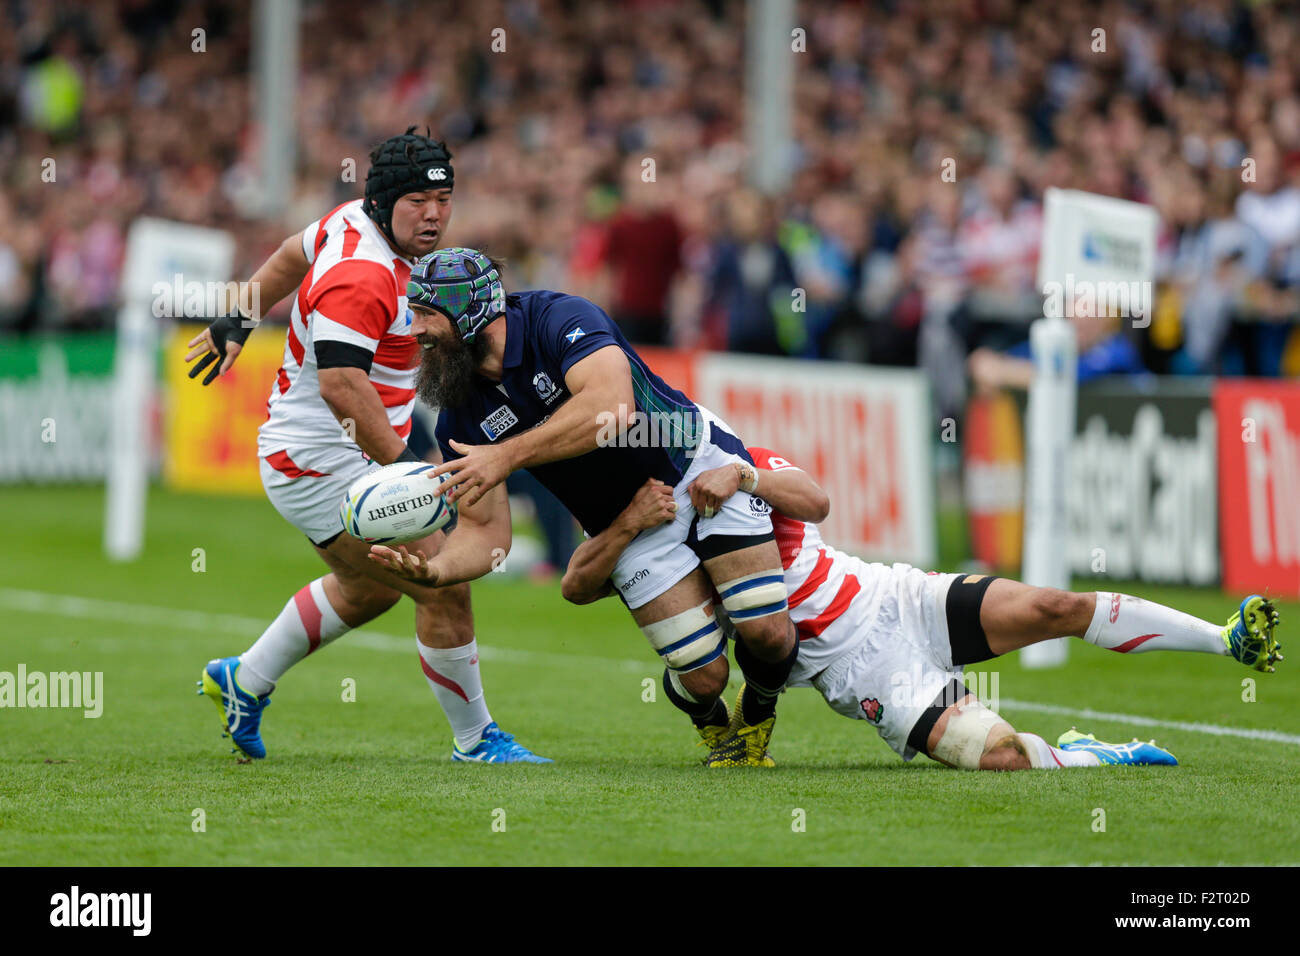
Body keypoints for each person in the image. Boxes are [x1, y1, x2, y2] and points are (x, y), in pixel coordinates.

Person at [559, 449, 1283, 770]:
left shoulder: (729, 458)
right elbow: (577, 584)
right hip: (860, 668)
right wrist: (626, 525)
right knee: (1001, 758)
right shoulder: (642, 518)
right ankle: (1094, 753)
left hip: (893, 596)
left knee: (1054, 603)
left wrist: (744, 472)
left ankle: (1225, 640)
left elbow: (817, 501)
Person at [184, 129, 547, 764]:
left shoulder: (351, 223)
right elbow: (343, 388)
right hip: (317, 459)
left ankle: (243, 679)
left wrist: (239, 316)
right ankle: (476, 741)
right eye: (416, 201)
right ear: (383, 205)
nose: (433, 215)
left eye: (443, 198)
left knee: (373, 587)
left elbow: (287, 258)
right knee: (438, 580)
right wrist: (412, 475)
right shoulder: (362, 274)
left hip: (349, 450)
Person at [369, 247, 799, 767]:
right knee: (704, 676)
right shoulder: (459, 409)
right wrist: (435, 570)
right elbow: (488, 534)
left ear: (471, 313)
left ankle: (753, 724)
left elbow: (612, 408)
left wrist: (506, 455)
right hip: (627, 524)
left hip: (695, 463)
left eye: (426, 314)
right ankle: (712, 718)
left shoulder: (560, 318)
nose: (414, 330)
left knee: (768, 634)